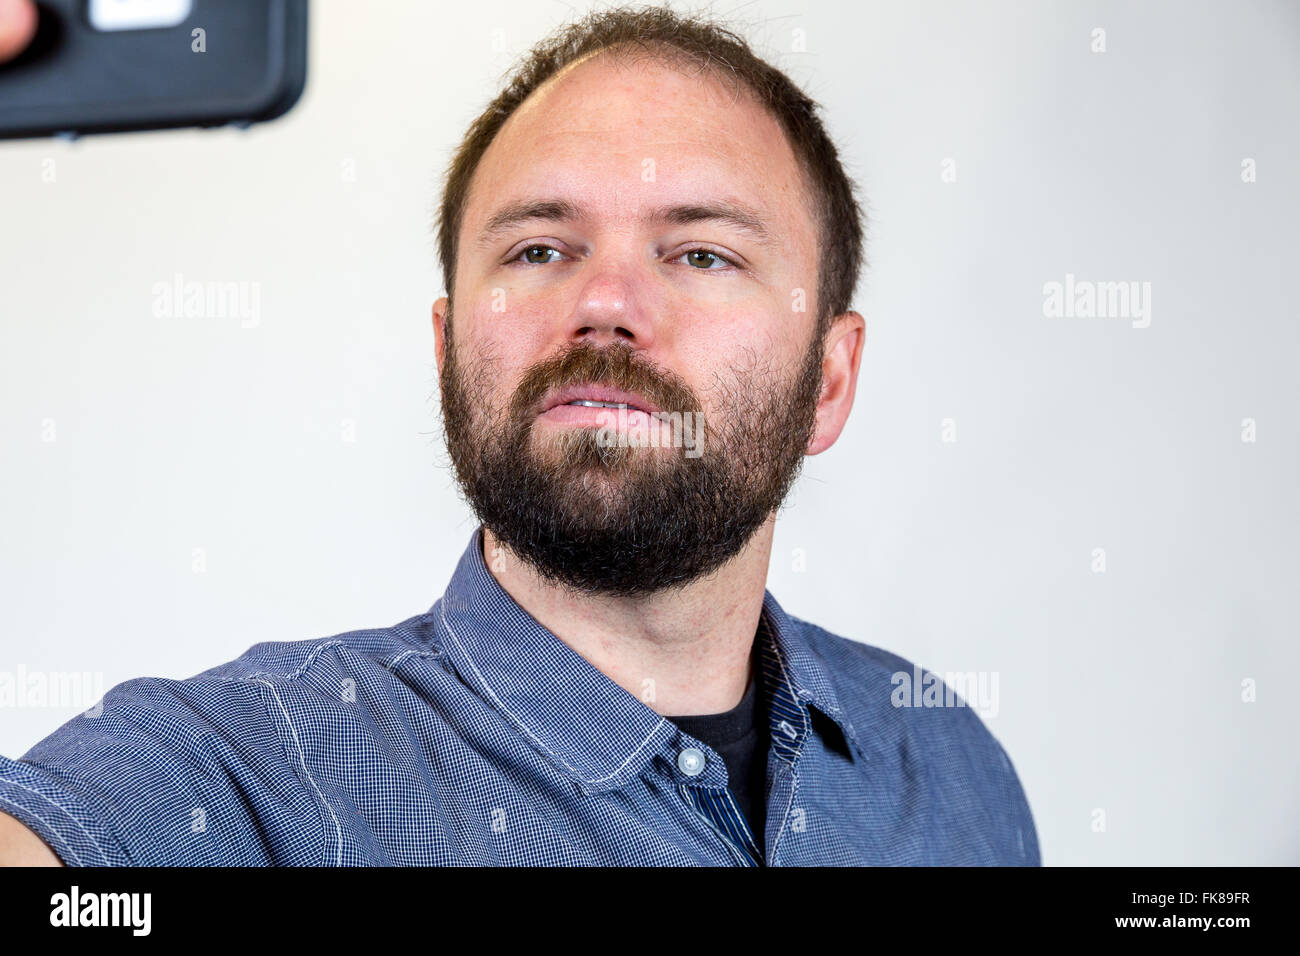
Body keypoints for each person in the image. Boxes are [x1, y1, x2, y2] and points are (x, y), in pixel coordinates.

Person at [0, 5, 1040, 866]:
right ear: (449, 348)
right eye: (541, 247)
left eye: (702, 254)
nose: (606, 302)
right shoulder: (241, 781)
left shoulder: (945, 763)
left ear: (830, 377)